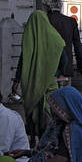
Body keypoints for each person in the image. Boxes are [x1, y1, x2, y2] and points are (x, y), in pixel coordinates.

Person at [7, 85, 82, 162]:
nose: (52, 111)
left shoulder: (74, 131)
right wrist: (26, 152)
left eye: (55, 107)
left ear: (66, 107)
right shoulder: (57, 124)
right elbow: (50, 150)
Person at [11, 9, 70, 140]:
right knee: (49, 109)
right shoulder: (56, 39)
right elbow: (64, 59)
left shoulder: (29, 40)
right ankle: (48, 137)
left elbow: (23, 61)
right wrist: (56, 72)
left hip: (31, 81)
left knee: (32, 109)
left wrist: (16, 81)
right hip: (50, 82)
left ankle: (33, 137)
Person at [44, 0, 82, 77]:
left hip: (48, 68)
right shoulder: (71, 21)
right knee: (66, 89)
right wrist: (81, 66)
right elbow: (77, 45)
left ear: (47, 6)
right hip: (66, 67)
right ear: (60, 6)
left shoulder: (44, 20)